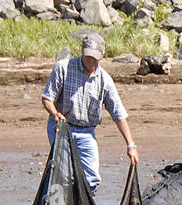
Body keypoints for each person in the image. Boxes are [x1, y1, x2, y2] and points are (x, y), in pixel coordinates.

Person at [41, 32, 139, 195]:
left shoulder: (105, 80)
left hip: (86, 131)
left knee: (92, 178)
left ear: (102, 56)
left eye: (94, 57)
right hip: (61, 128)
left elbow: (118, 113)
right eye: (87, 56)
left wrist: (131, 145)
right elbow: (47, 98)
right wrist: (54, 113)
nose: (90, 60)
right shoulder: (63, 68)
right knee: (65, 174)